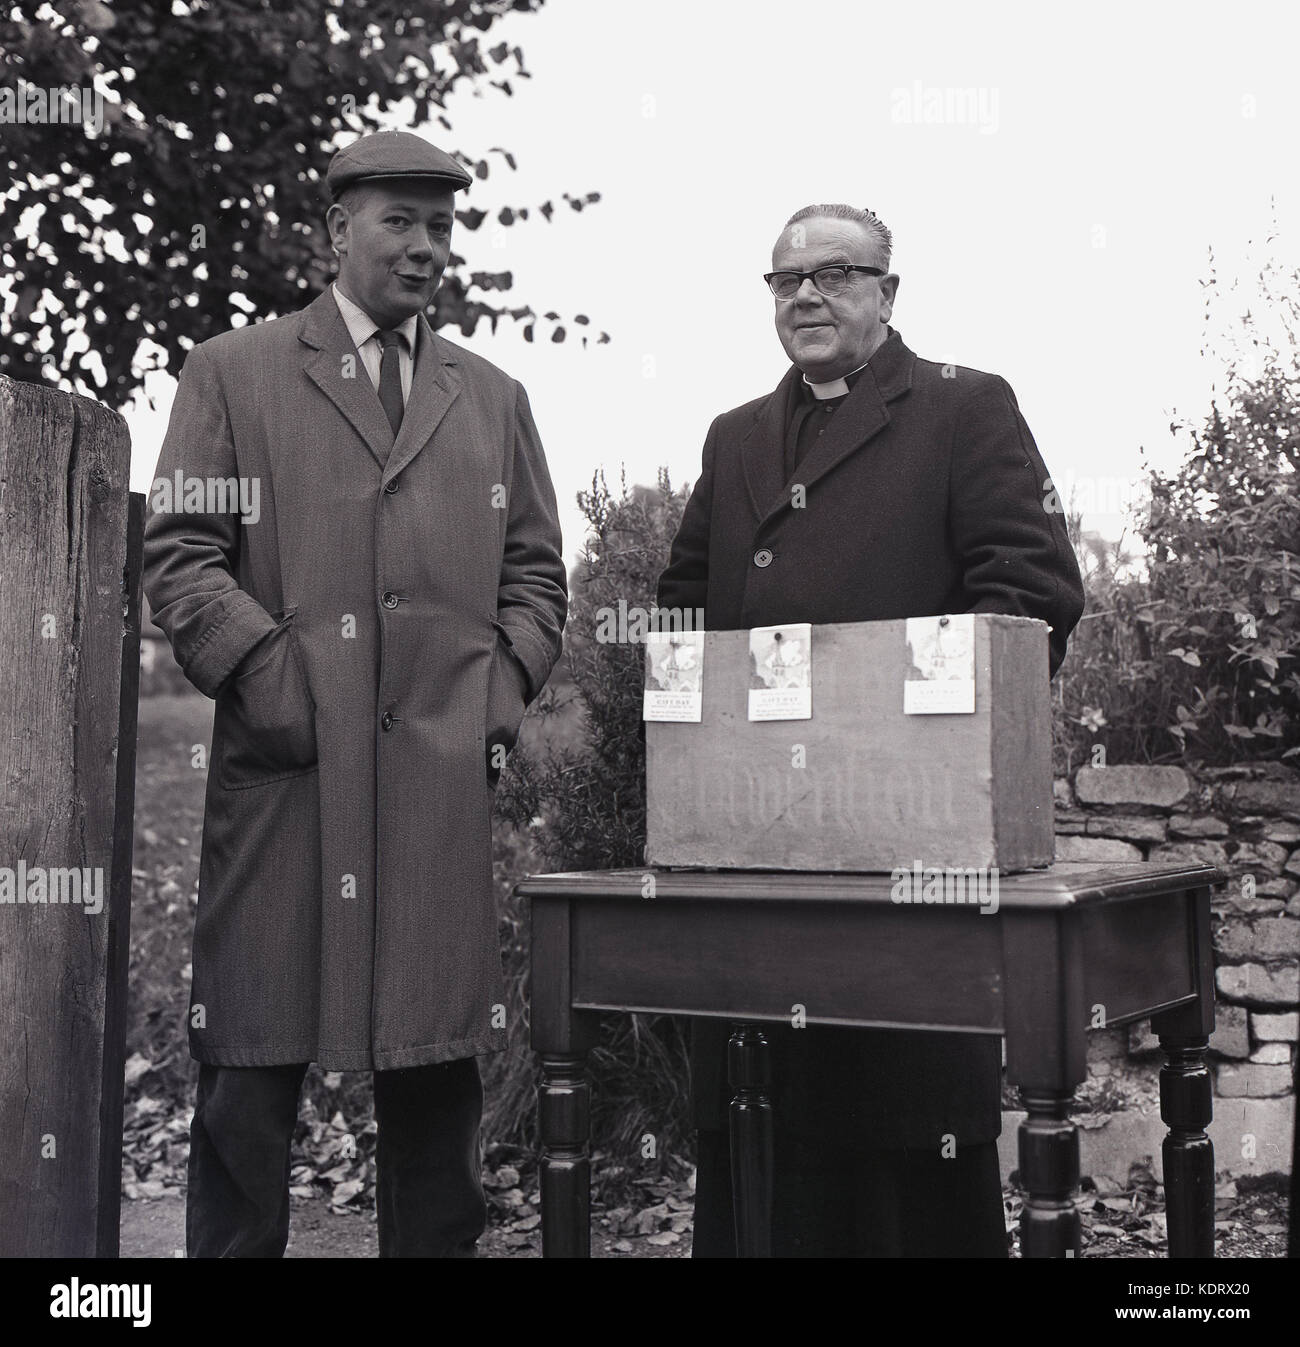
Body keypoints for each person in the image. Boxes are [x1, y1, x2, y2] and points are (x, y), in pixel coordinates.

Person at [143, 130, 567, 1257]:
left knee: (436, 1080)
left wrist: (501, 689)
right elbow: (181, 555)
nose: (427, 247)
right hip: (285, 786)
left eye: (442, 226)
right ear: (337, 229)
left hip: (434, 784)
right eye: (400, 222)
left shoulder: (493, 394)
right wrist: (273, 681)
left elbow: (534, 574)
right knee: (249, 1071)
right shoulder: (231, 371)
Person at [656, 202, 1085, 1257]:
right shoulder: (736, 435)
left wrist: (905, 721)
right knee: (762, 1120)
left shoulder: (964, 408)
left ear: (887, 293)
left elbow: (1028, 594)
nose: (805, 295)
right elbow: (680, 612)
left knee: (901, 1125)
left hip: (910, 847)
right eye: (784, 279)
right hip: (752, 849)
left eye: (835, 273)